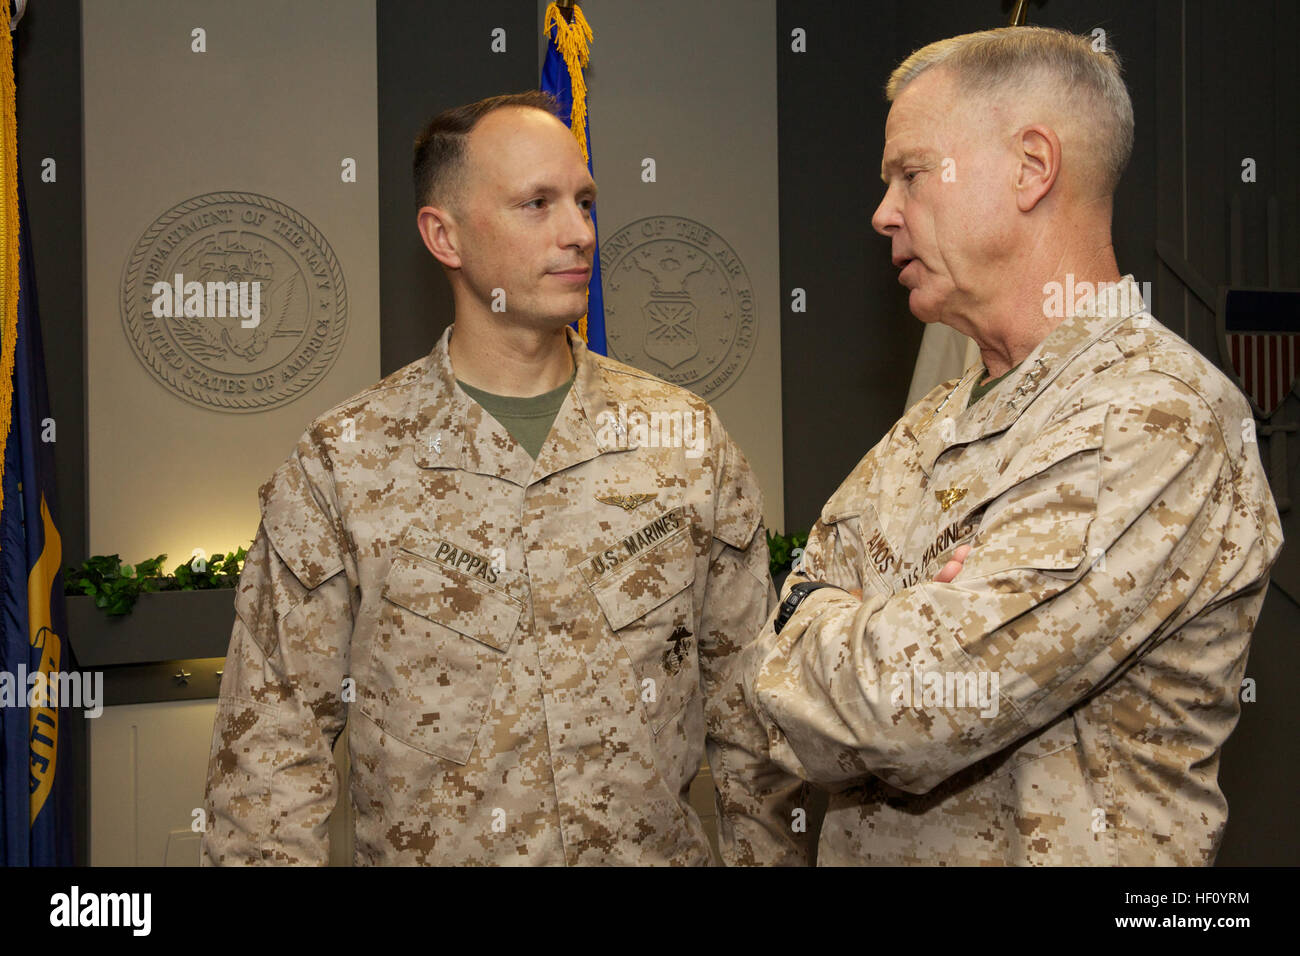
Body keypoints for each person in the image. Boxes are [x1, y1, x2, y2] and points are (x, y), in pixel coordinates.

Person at [201, 91, 809, 866]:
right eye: (537, 204)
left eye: (585, 202)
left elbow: (752, 723)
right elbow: (268, 763)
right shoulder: (345, 461)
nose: (579, 233)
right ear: (443, 234)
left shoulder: (683, 440)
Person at [741, 27, 1283, 865]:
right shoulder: (934, 420)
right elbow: (787, 639)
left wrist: (838, 619)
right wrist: (845, 615)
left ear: (1033, 167)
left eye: (911, 174)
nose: (882, 211)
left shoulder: (1156, 417)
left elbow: (905, 706)